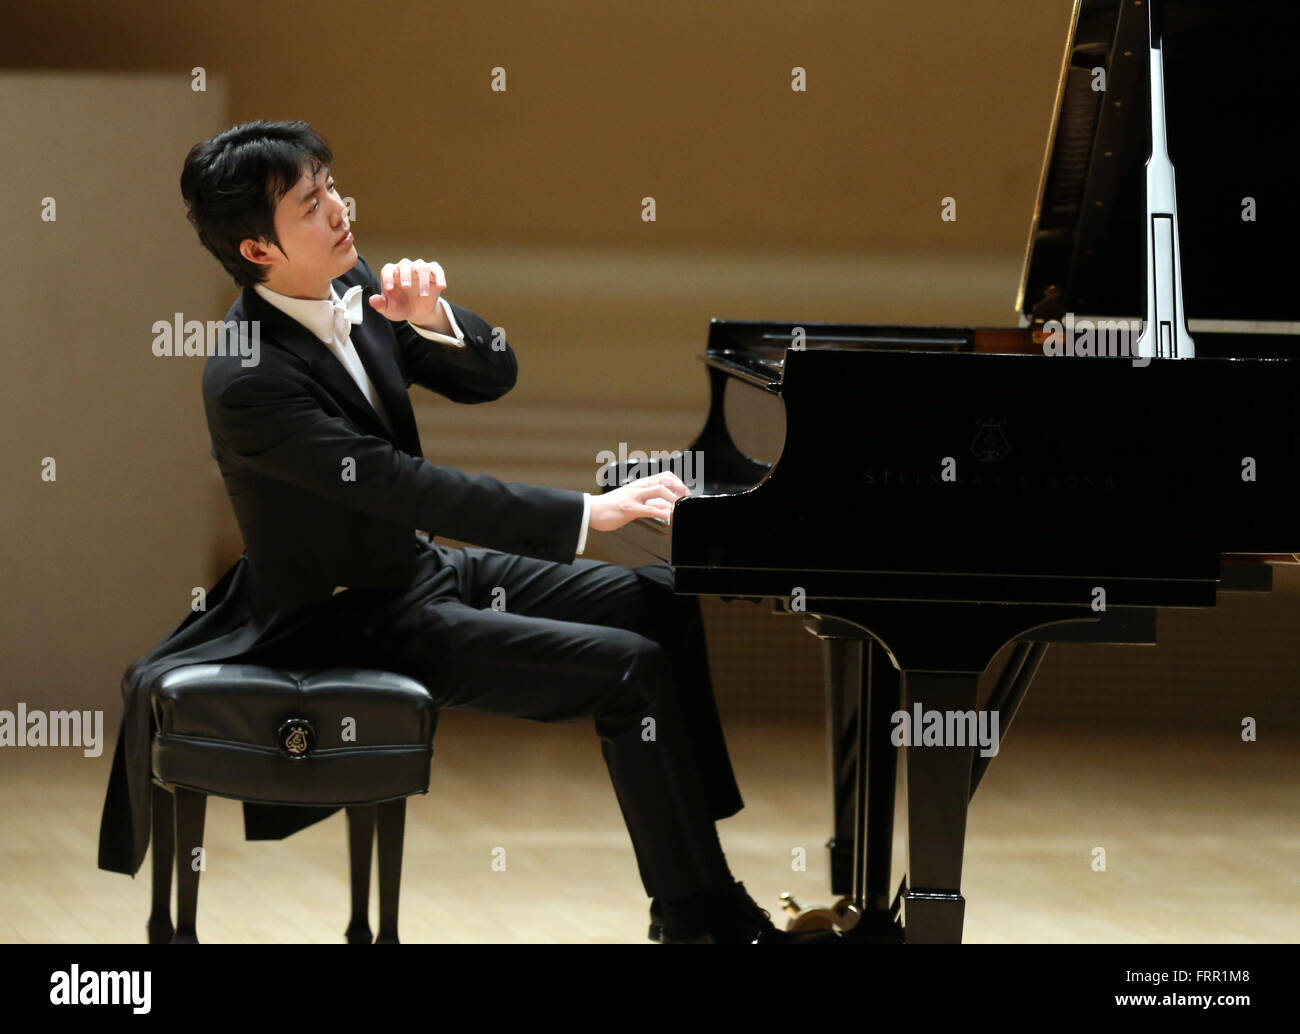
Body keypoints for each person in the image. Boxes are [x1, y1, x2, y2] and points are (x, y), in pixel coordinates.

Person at [96, 119, 837, 944]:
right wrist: (586, 515)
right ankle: (701, 912)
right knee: (631, 671)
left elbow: (494, 374)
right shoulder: (247, 378)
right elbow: (406, 488)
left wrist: (435, 317)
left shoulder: (355, 285)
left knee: (655, 600)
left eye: (331, 185)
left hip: (413, 575)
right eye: (311, 204)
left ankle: (695, 878)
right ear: (259, 250)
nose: (339, 208)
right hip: (341, 621)